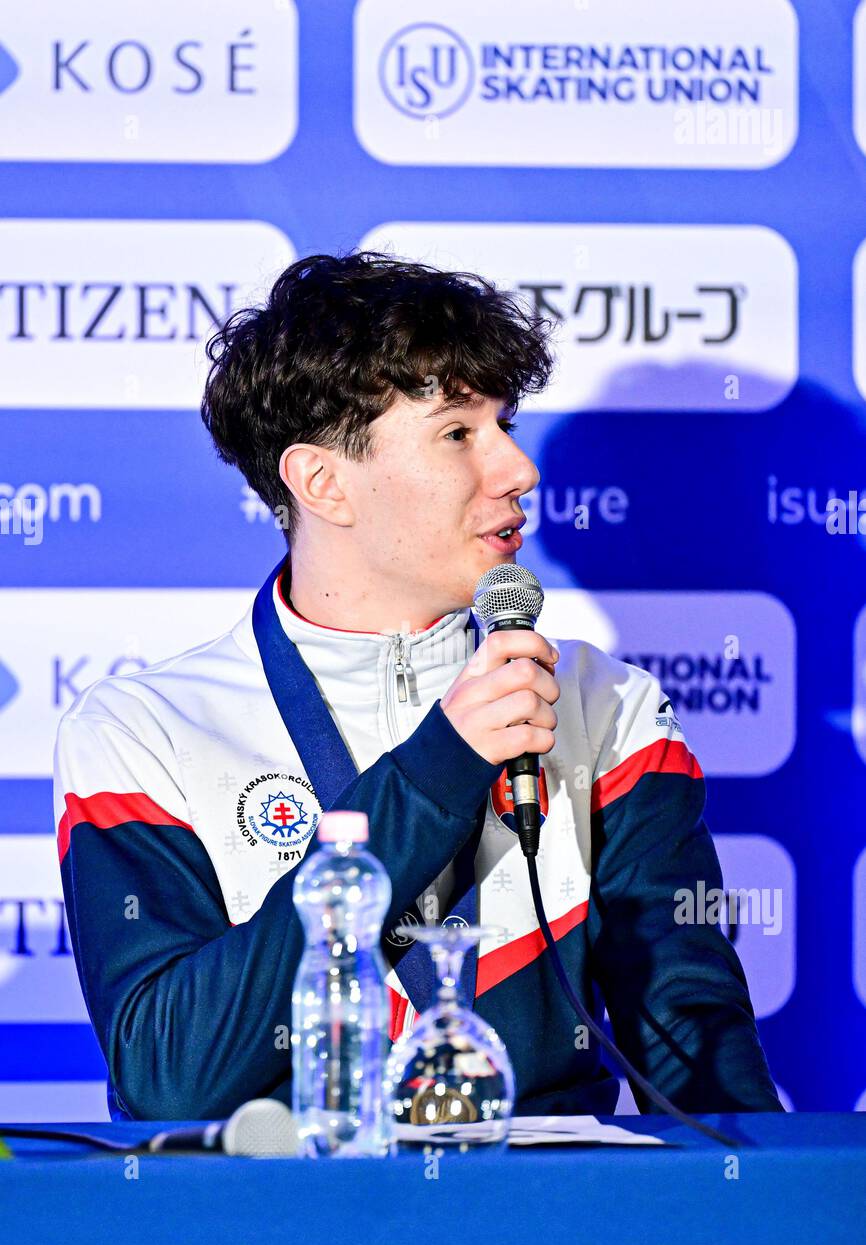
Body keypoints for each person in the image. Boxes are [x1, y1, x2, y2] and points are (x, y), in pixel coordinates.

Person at [53, 250, 783, 1120]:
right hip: (268, 1239)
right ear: (322, 482)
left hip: (549, 1236)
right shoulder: (146, 730)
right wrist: (440, 767)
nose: (517, 470)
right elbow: (167, 1071)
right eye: (458, 433)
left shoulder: (606, 709)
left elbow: (700, 1056)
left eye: (505, 424)